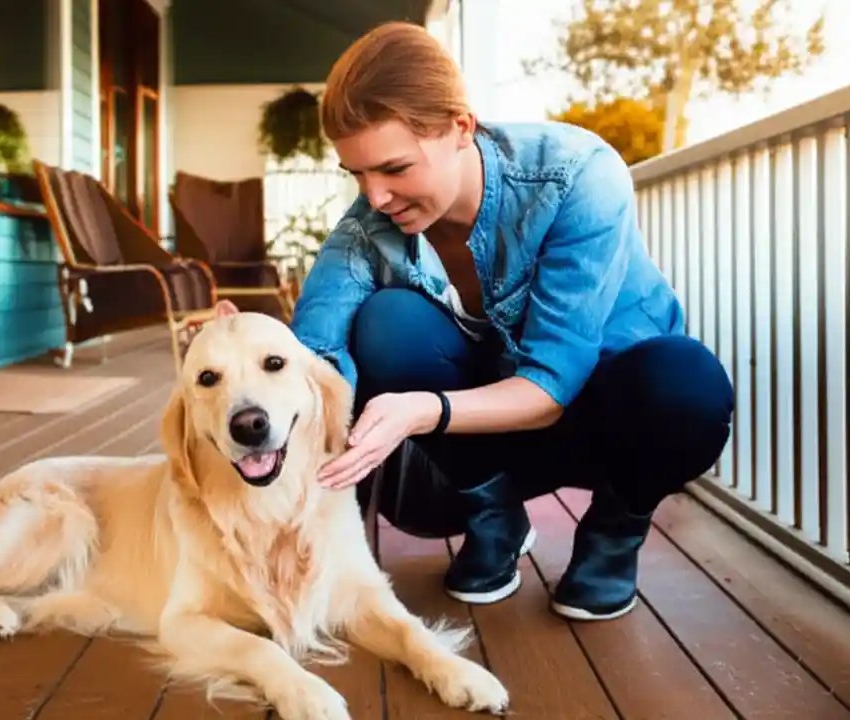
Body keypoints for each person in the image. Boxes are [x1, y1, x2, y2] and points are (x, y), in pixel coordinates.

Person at [289, 21, 735, 622]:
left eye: (394, 168)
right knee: (387, 323)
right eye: (357, 174)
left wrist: (423, 410)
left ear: (459, 127)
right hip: (486, 443)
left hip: (607, 424)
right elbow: (312, 357)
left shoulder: (577, 174)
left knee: (689, 381)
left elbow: (552, 385)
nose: (375, 197)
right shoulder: (367, 229)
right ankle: (493, 518)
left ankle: (613, 531)